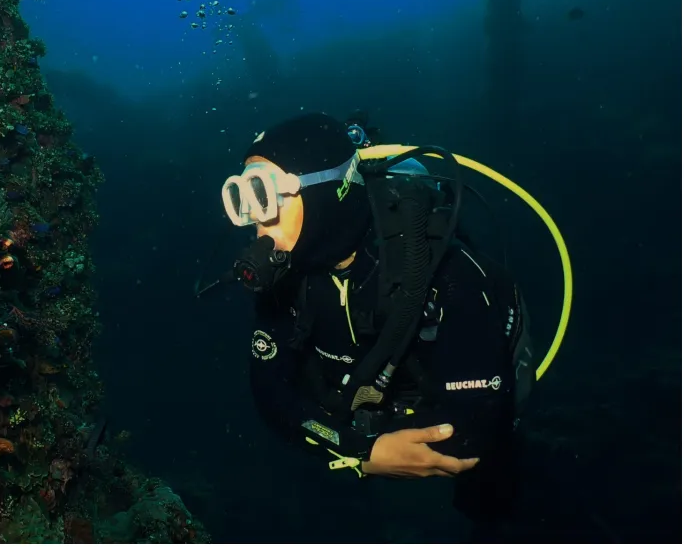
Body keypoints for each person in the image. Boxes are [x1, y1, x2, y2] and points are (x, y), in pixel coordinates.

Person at [219, 112, 534, 526]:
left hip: (443, 408)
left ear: (328, 191)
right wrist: (362, 453)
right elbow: (269, 391)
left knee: (492, 504)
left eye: (265, 195)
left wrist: (364, 448)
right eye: (242, 200)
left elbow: (477, 427)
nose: (258, 220)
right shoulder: (287, 280)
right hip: (365, 431)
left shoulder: (445, 271)